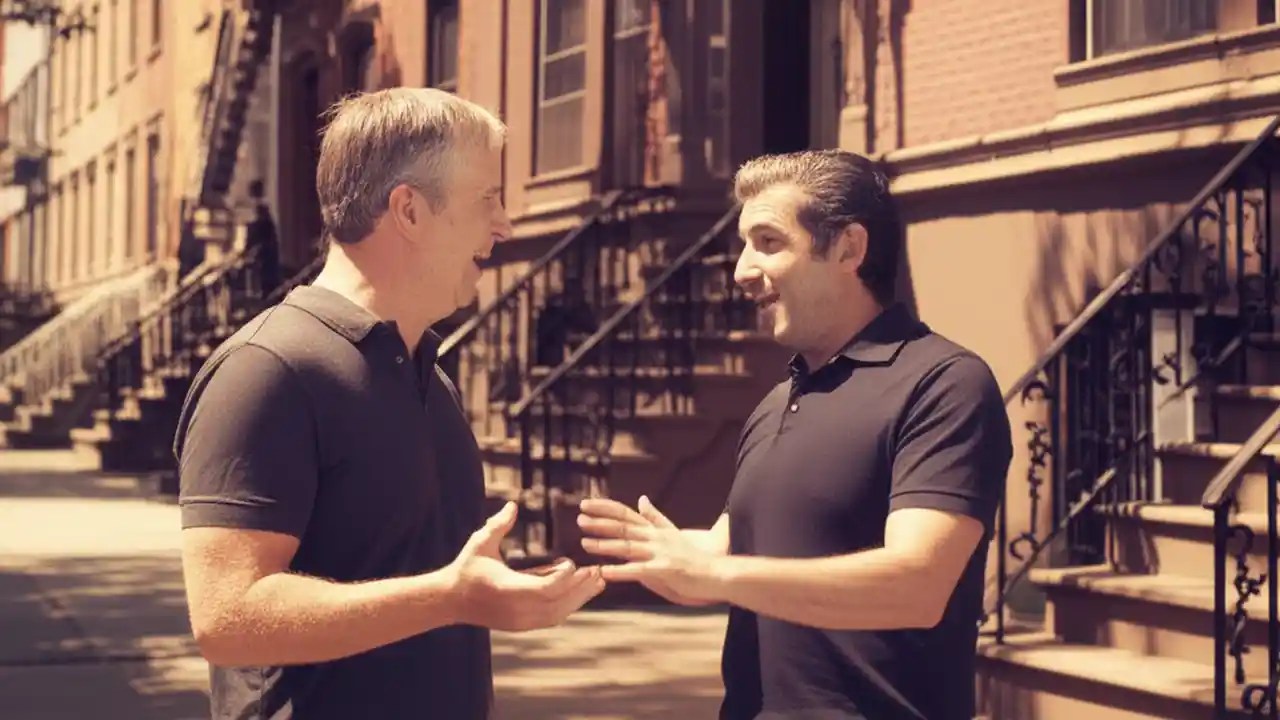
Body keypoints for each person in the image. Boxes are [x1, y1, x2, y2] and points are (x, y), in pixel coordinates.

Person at [173, 88, 605, 720]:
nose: (505, 223)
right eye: (487, 198)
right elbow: (227, 618)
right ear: (408, 210)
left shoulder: (430, 374)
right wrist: (450, 598)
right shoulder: (267, 370)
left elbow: (408, 571)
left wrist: (484, 590)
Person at [577, 149, 1012, 720]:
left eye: (768, 242)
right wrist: (668, 556)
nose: (740, 269)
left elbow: (918, 584)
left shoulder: (943, 384)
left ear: (848, 248)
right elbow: (734, 552)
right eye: (743, 244)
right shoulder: (776, 402)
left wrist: (716, 571)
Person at [242, 178, 281, 295]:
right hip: (266, 254)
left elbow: (260, 233)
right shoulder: (263, 210)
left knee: (265, 284)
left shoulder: (261, 210)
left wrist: (250, 248)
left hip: (264, 256)